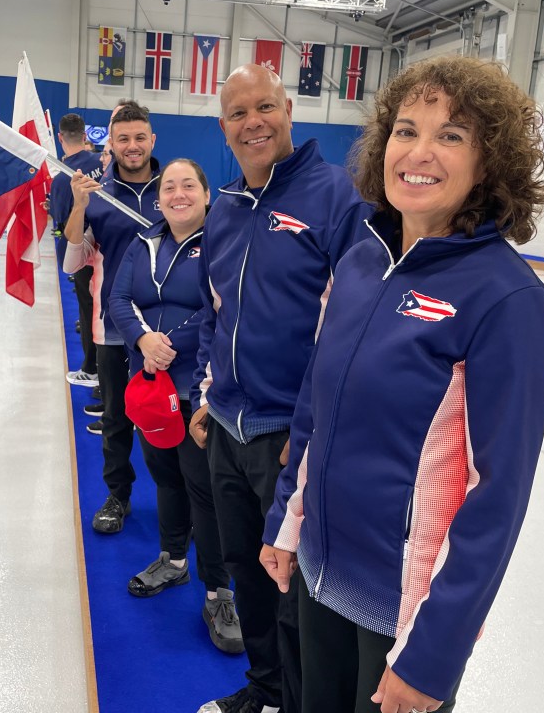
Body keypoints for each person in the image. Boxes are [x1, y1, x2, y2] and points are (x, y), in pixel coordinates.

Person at [260, 56, 544, 713]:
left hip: (403, 614)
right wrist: (287, 522)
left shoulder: (506, 300)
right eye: (406, 130)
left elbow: (497, 500)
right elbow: (314, 409)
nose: (419, 152)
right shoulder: (361, 260)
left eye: (451, 135)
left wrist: (433, 654)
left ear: (489, 163)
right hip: (319, 573)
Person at [190, 64, 371, 713]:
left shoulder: (337, 197)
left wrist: (315, 433)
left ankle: (294, 703)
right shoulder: (229, 206)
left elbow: (358, 326)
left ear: (288, 109)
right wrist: (210, 393)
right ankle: (264, 691)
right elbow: (217, 312)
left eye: (264, 107)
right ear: (224, 128)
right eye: (238, 114)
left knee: (294, 591)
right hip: (230, 428)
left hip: (288, 440)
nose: (253, 122)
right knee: (245, 570)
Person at [108, 158, 244, 654]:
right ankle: (173, 558)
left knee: (203, 491)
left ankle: (219, 591)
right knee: (164, 476)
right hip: (150, 388)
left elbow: (220, 311)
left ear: (207, 196)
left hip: (198, 392)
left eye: (190, 185)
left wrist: (177, 349)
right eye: (170, 186)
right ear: (160, 196)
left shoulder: (223, 244)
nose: (179, 193)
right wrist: (144, 341)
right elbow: (118, 299)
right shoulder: (143, 241)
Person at [64, 101, 164, 533]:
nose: (132, 145)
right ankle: (117, 497)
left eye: (140, 137)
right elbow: (73, 259)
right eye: (123, 138)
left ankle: (178, 505)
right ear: (112, 143)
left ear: (152, 140)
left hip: (167, 332)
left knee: (168, 421)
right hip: (112, 330)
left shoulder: (175, 189)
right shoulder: (97, 194)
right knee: (117, 422)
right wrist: (79, 205)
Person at [51, 113, 105, 392]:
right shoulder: (102, 163)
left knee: (88, 309)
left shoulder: (62, 176)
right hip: (108, 244)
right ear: (85, 136)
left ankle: (90, 368)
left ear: (61, 137)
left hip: (83, 249)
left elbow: (61, 221)